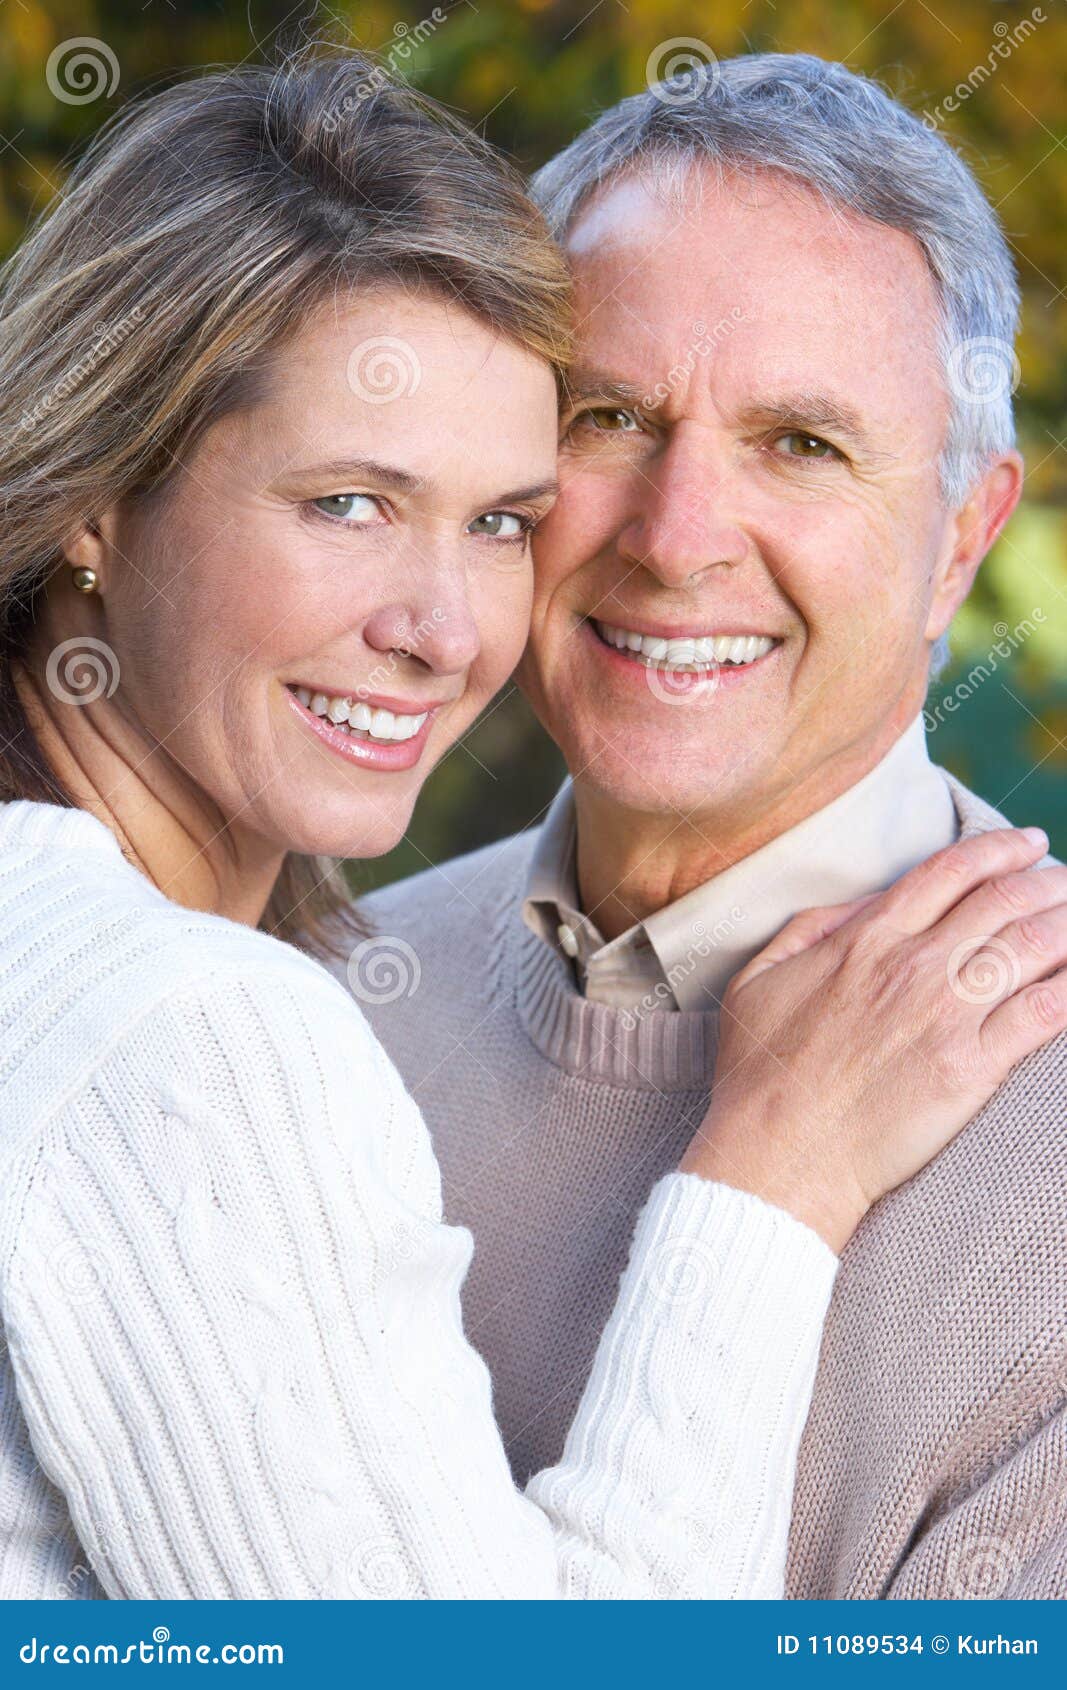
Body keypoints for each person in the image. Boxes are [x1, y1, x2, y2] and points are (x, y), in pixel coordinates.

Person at [355, 53, 1067, 1599]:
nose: (677, 541)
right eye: (610, 417)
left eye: (802, 443)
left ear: (963, 536)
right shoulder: (326, 1003)